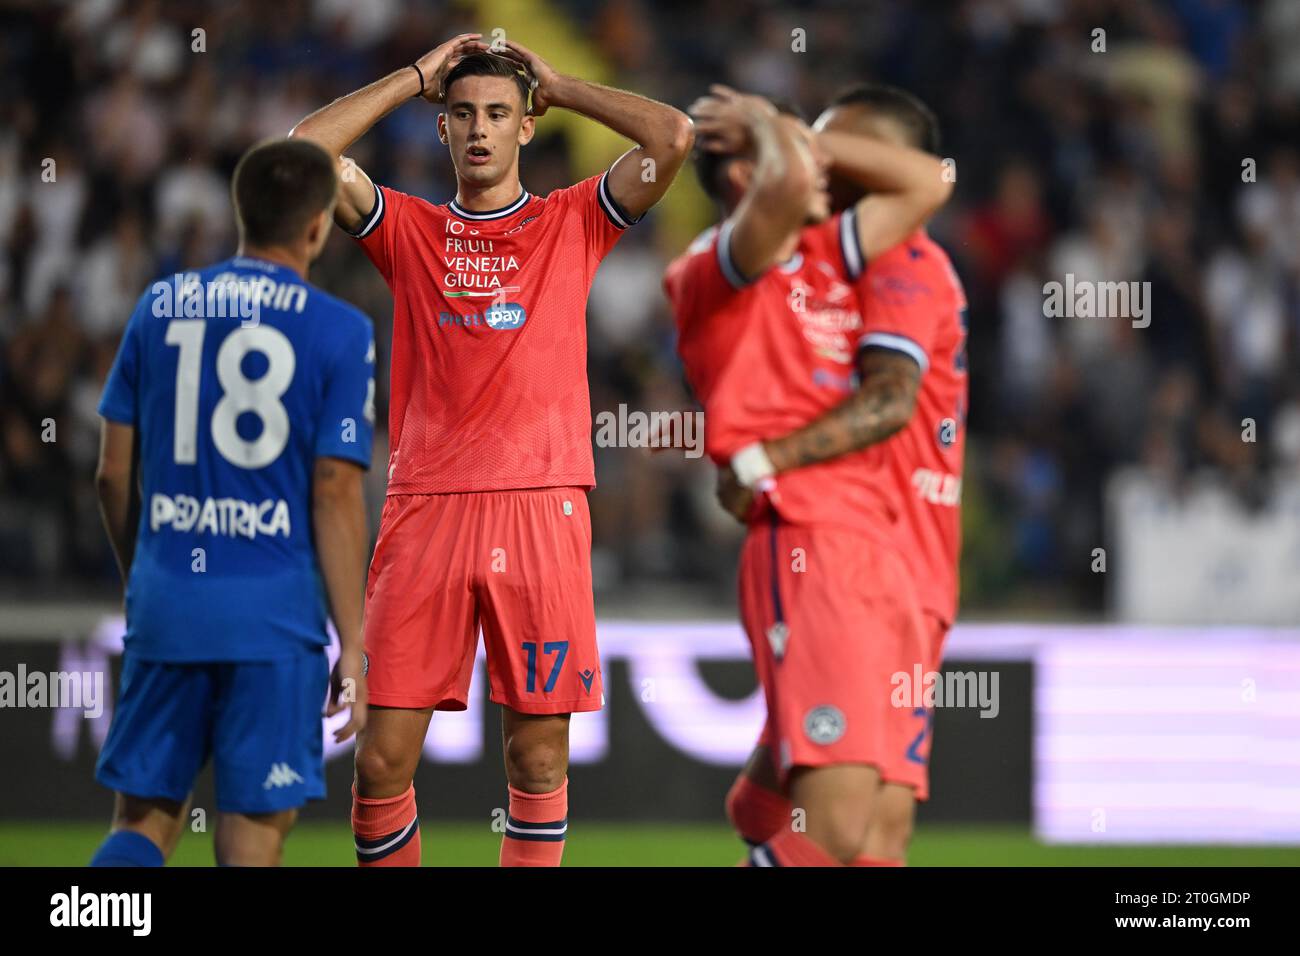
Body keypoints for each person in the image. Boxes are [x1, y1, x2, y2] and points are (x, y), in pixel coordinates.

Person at [290, 35, 693, 867]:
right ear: (442, 129)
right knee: (378, 761)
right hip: (424, 511)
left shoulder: (572, 221)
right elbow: (301, 152)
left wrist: (565, 85)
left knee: (536, 757)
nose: (480, 130)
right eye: (464, 114)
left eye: (500, 114)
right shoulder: (408, 229)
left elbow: (672, 138)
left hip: (541, 503)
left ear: (526, 128)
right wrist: (411, 79)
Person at [663, 84, 951, 866]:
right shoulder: (714, 271)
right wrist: (767, 125)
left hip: (876, 546)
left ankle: (760, 802)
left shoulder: (829, 255)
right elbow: (790, 183)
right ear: (743, 181)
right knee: (835, 833)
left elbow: (931, 181)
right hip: (810, 538)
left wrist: (788, 132)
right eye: (802, 158)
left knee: (859, 833)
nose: (819, 169)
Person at [91, 138, 373, 867]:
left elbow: (112, 475)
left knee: (142, 824)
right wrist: (355, 645)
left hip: (168, 604)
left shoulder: (160, 304)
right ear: (318, 226)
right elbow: (336, 491)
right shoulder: (340, 330)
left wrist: (143, 577)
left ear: (239, 212)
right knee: (250, 841)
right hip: (272, 622)